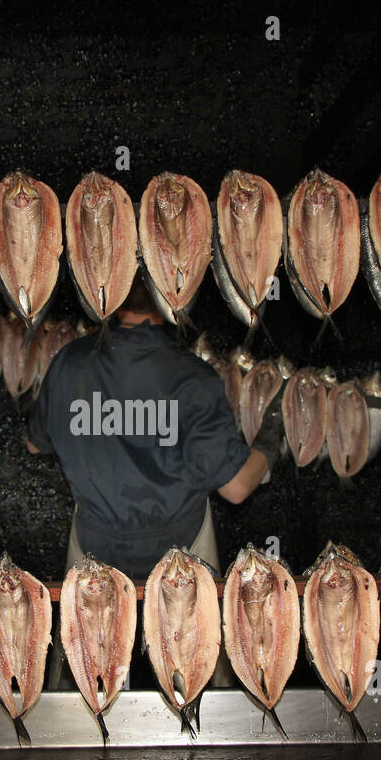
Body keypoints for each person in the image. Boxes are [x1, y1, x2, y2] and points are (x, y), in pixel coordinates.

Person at [26, 282, 282, 687]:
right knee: (197, 677)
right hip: (184, 551)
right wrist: (270, 442)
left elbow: (34, 442)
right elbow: (235, 487)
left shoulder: (68, 364)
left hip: (95, 544)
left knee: (87, 677)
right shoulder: (193, 376)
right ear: (170, 295)